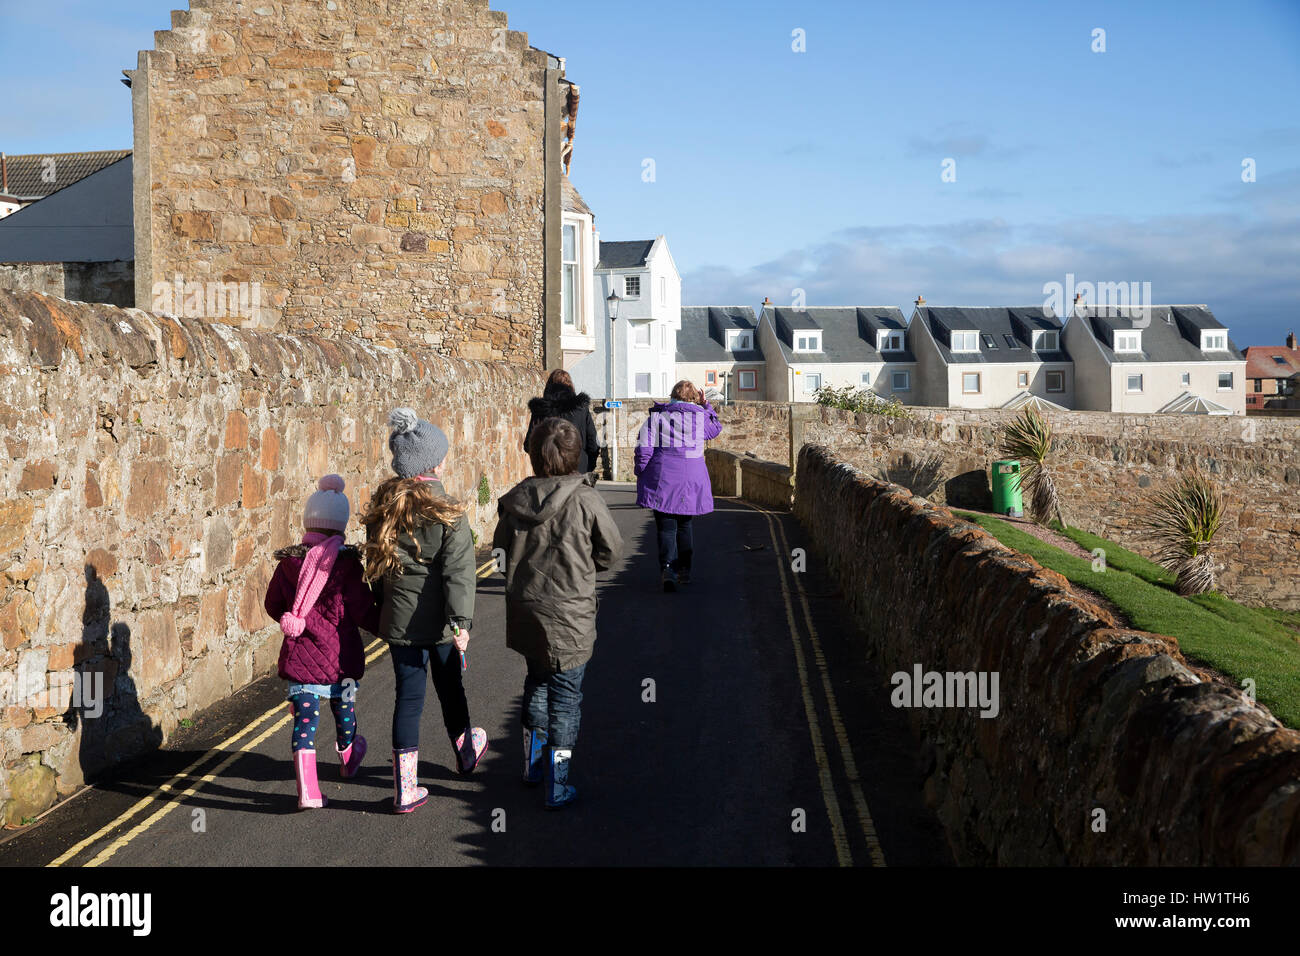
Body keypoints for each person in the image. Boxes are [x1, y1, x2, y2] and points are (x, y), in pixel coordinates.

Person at [360, 408, 487, 814]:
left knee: (408, 699)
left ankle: (405, 789)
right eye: (442, 455)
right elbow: (458, 574)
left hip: (399, 623)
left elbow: (377, 570)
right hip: (441, 627)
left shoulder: (384, 507)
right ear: (434, 463)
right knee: (452, 691)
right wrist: (461, 622)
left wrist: (383, 607)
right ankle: (466, 753)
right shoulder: (448, 511)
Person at [493, 417, 623, 809]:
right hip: (571, 613)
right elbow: (611, 551)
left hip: (527, 609)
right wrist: (585, 568)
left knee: (536, 683)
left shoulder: (515, 502)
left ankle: (533, 767)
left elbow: (499, 557)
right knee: (566, 698)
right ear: (574, 456)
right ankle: (558, 781)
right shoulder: (585, 499)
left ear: (533, 454)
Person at [264, 474, 378, 810]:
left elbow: (273, 605)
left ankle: (309, 793)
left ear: (308, 521)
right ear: (341, 525)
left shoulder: (288, 564)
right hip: (340, 663)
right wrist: (388, 626)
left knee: (305, 725)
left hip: (302, 662)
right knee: (345, 713)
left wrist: (296, 621)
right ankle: (348, 755)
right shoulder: (346, 567)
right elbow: (362, 610)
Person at [634, 380, 722, 592]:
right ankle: (684, 570)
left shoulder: (657, 417)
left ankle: (667, 569)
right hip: (692, 478)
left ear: (672, 395)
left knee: (666, 527)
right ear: (694, 398)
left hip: (663, 477)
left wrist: (641, 472)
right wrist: (706, 406)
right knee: (685, 524)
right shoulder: (700, 418)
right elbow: (716, 429)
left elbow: (643, 449)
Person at [524, 368, 601, 475]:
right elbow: (593, 441)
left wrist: (541, 462)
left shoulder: (540, 409)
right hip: (578, 468)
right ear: (570, 386)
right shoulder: (581, 409)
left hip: (547, 469)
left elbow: (529, 444)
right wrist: (589, 465)